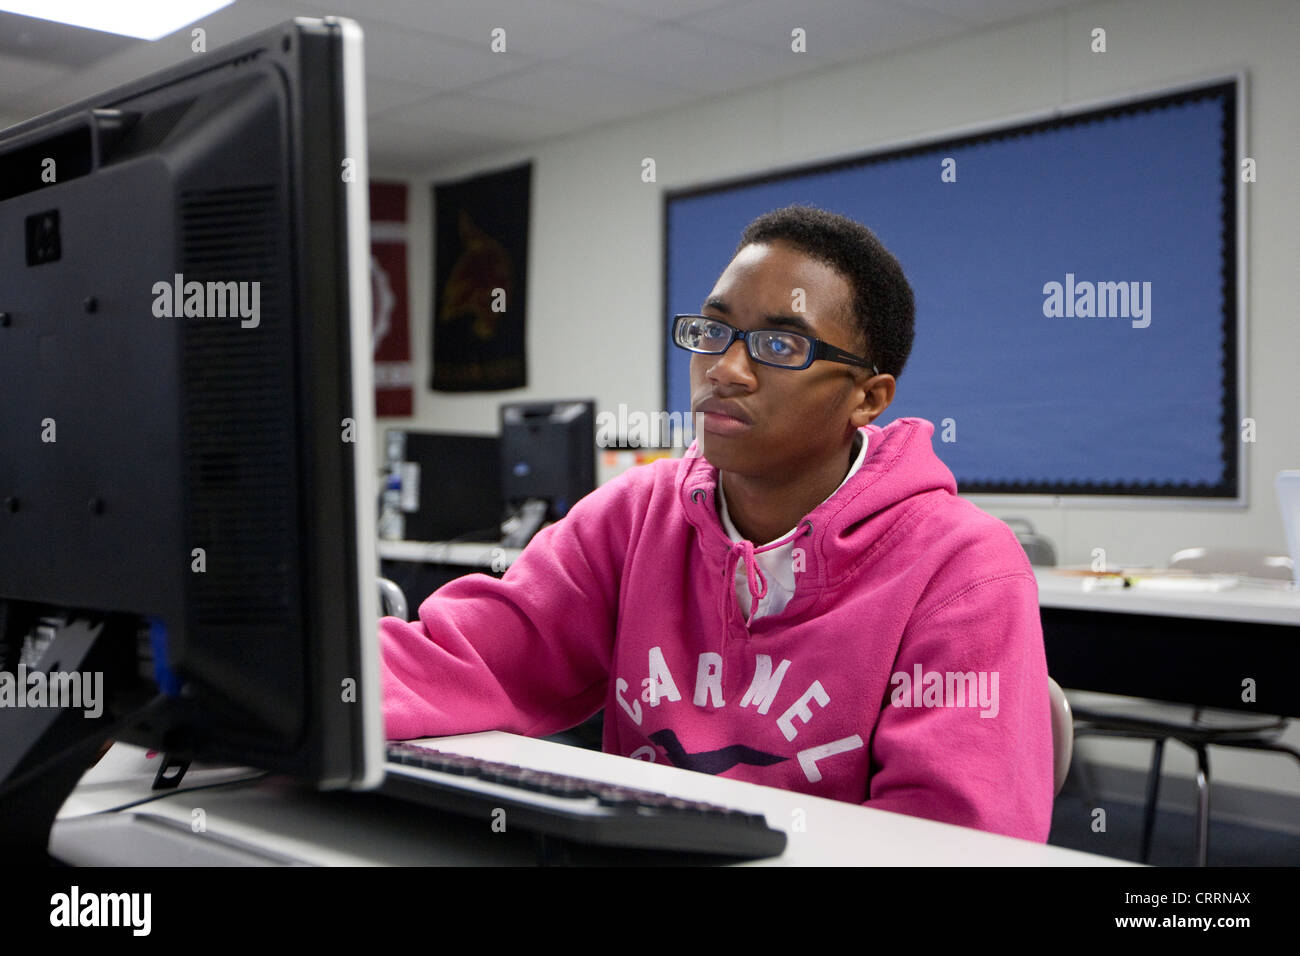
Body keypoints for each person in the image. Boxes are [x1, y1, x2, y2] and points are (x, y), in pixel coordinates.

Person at [380, 205, 1054, 842]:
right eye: (714, 331)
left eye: (780, 344)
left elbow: (951, 842)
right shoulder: (637, 514)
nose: (725, 370)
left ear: (866, 399)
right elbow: (469, 658)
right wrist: (307, 686)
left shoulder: (964, 568)